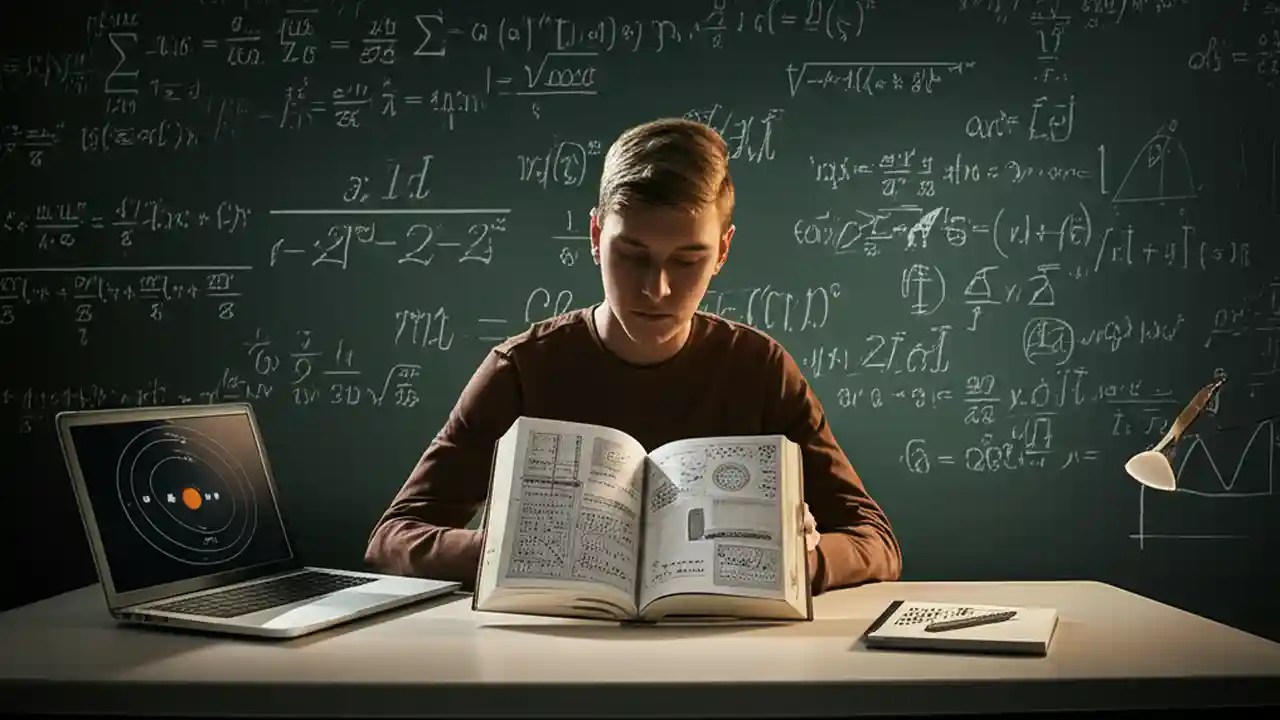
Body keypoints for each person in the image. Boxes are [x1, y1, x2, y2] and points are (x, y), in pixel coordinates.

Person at [364, 117, 902, 595]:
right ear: (597, 235)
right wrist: (519, 553)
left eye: (687, 260)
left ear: (723, 252)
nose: (657, 290)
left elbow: (874, 540)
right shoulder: (522, 369)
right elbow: (391, 539)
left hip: (729, 660)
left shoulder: (760, 368)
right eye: (632, 255)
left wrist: (797, 564)